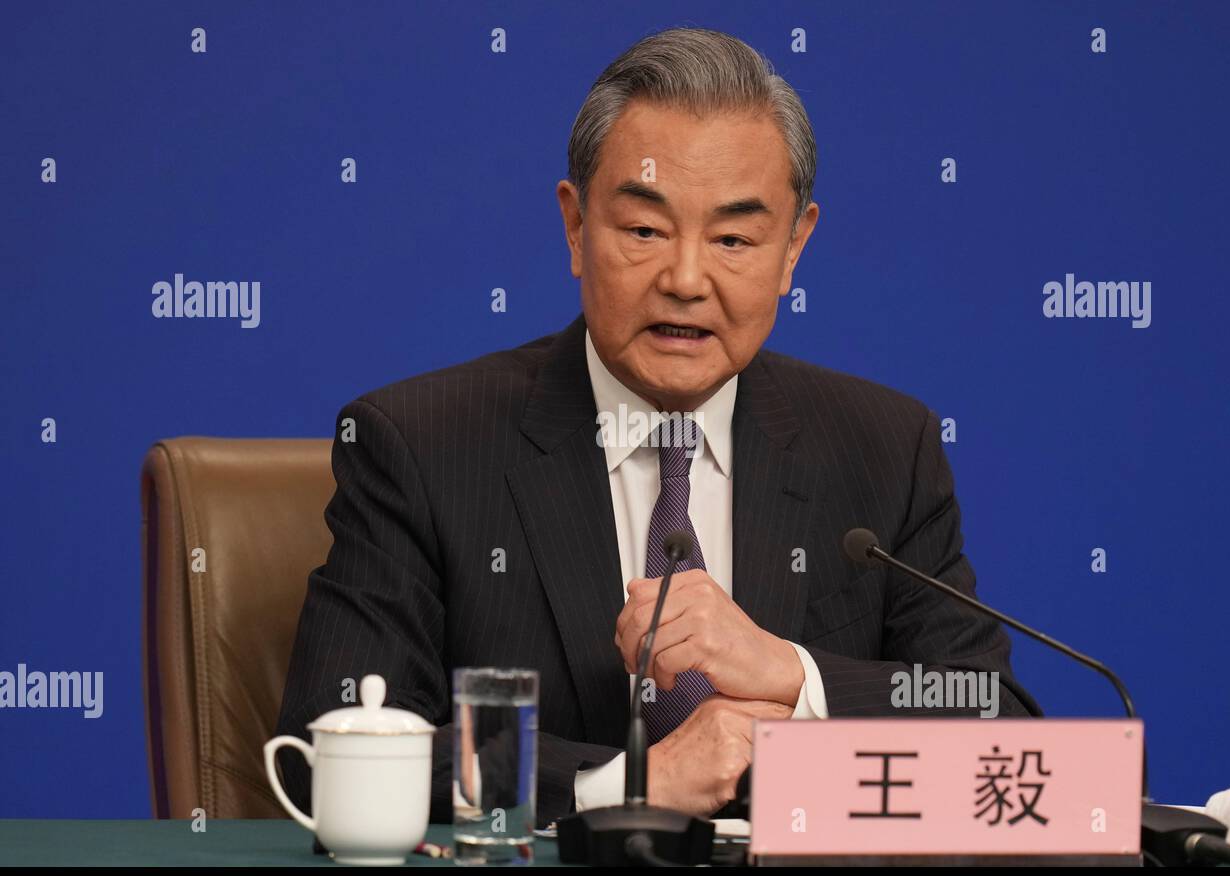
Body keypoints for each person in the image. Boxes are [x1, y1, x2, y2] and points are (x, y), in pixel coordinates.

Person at [274, 26, 1041, 827]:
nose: (684, 279)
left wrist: (794, 674)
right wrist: (626, 783)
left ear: (793, 248)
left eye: (735, 239)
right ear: (576, 227)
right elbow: (330, 758)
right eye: (644, 230)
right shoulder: (422, 446)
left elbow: (998, 728)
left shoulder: (885, 448)